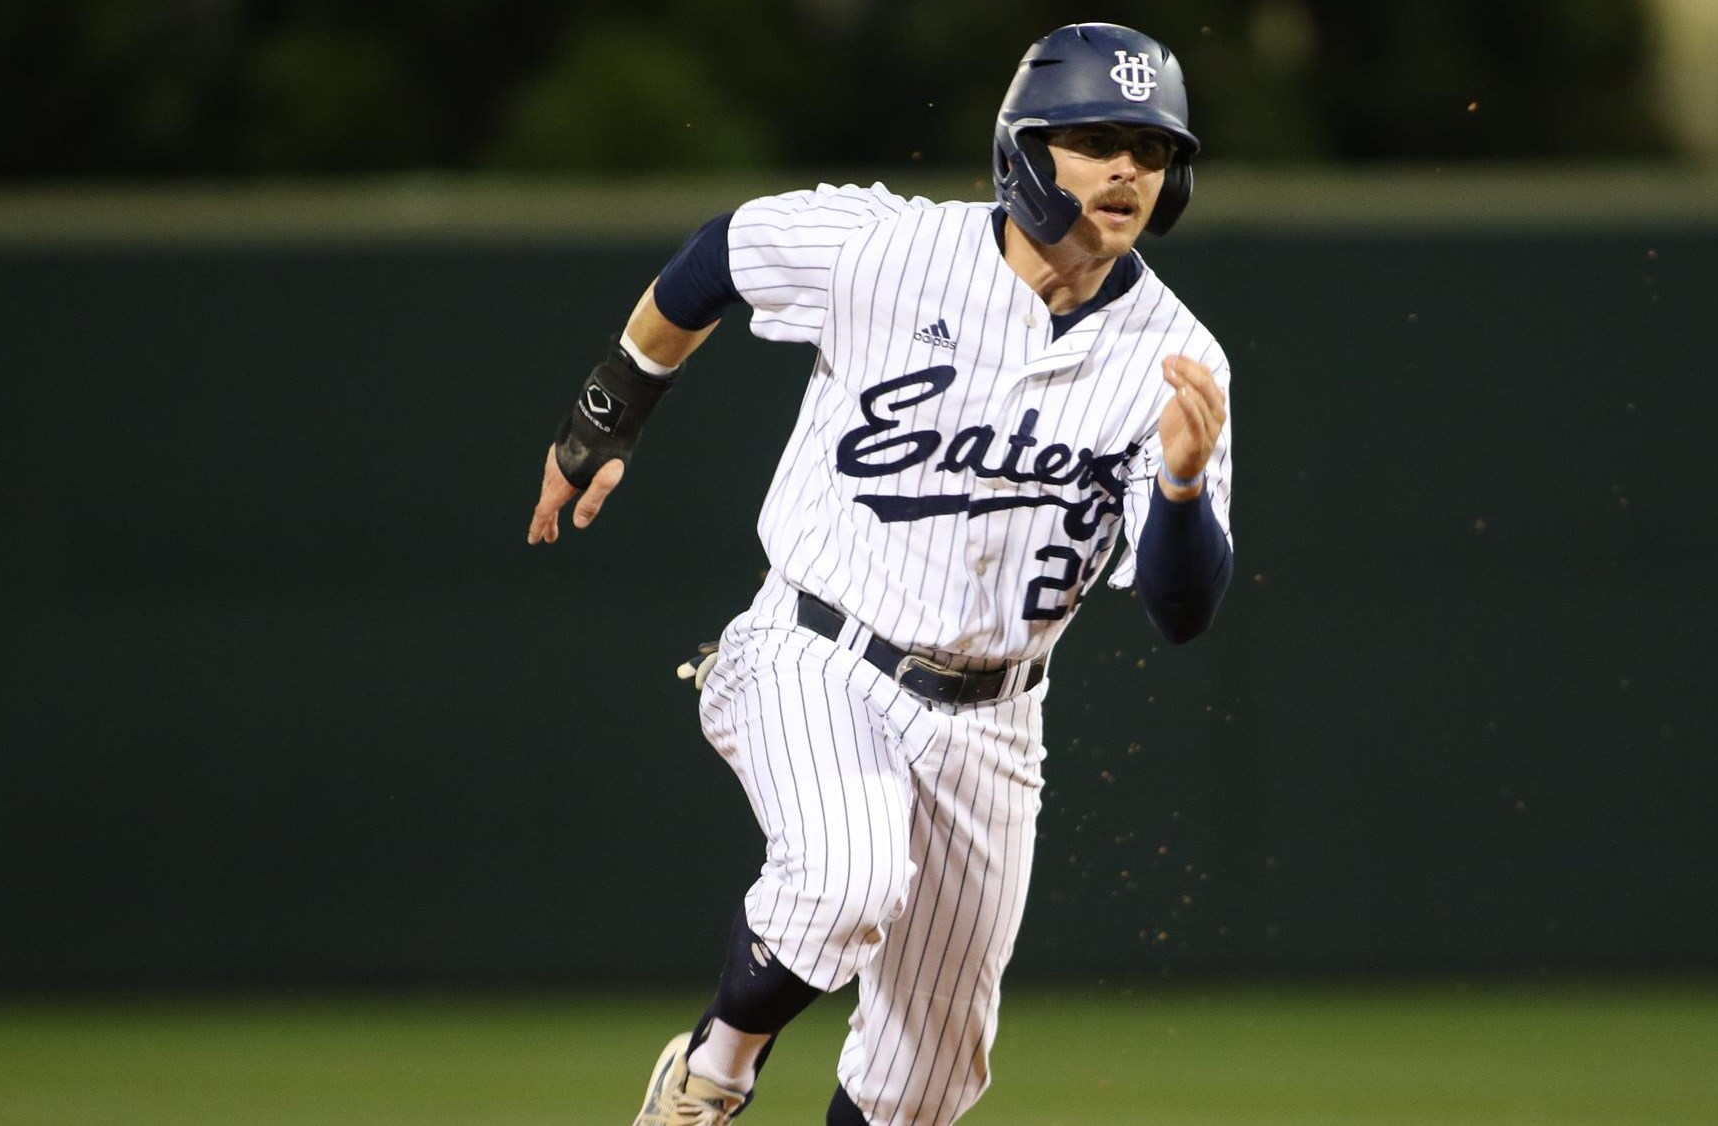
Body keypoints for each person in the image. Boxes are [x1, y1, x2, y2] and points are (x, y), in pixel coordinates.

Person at [526, 22, 1234, 1126]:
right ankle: (709, 1074)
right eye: (1093, 139)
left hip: (996, 723)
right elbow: (720, 254)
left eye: (1149, 149)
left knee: (928, 1082)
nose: (1126, 169)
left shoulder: (1176, 355)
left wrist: (1182, 494)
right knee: (842, 881)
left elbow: (1180, 611)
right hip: (819, 650)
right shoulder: (887, 246)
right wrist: (608, 410)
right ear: (1023, 152)